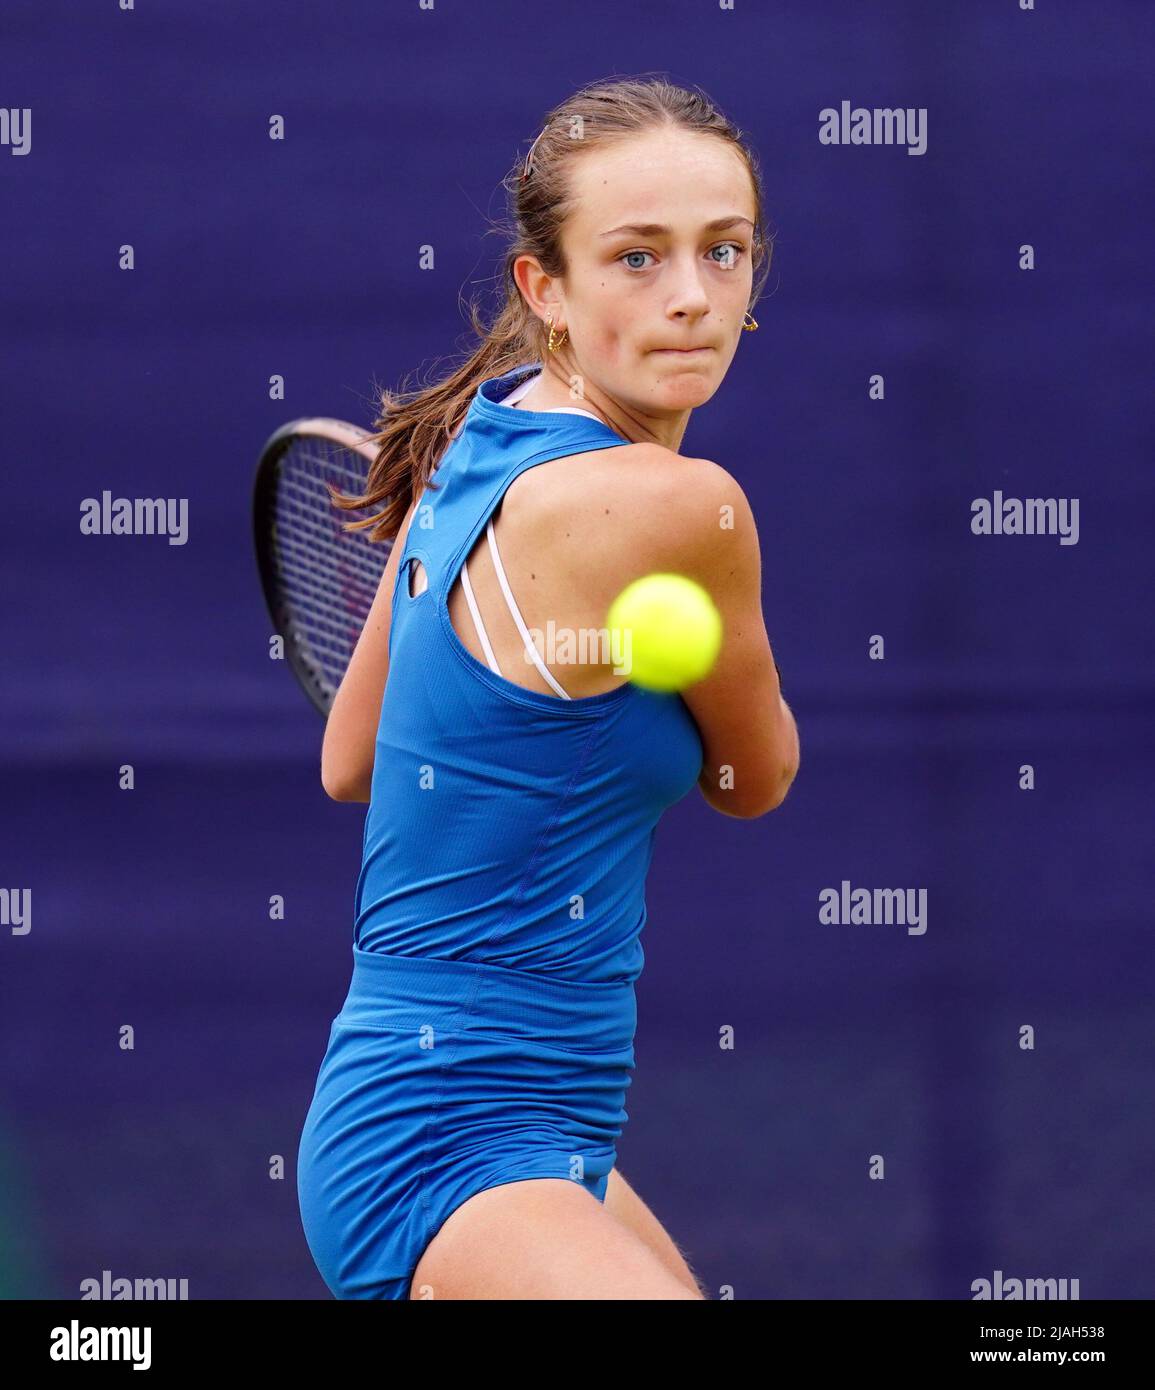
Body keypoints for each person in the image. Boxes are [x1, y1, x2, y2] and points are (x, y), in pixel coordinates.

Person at [297, 74, 800, 1301]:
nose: (692, 296)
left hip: (507, 1121)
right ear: (547, 290)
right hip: (450, 1141)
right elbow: (756, 776)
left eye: (722, 251)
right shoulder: (688, 506)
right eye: (637, 258)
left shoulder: (477, 435)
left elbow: (351, 759)